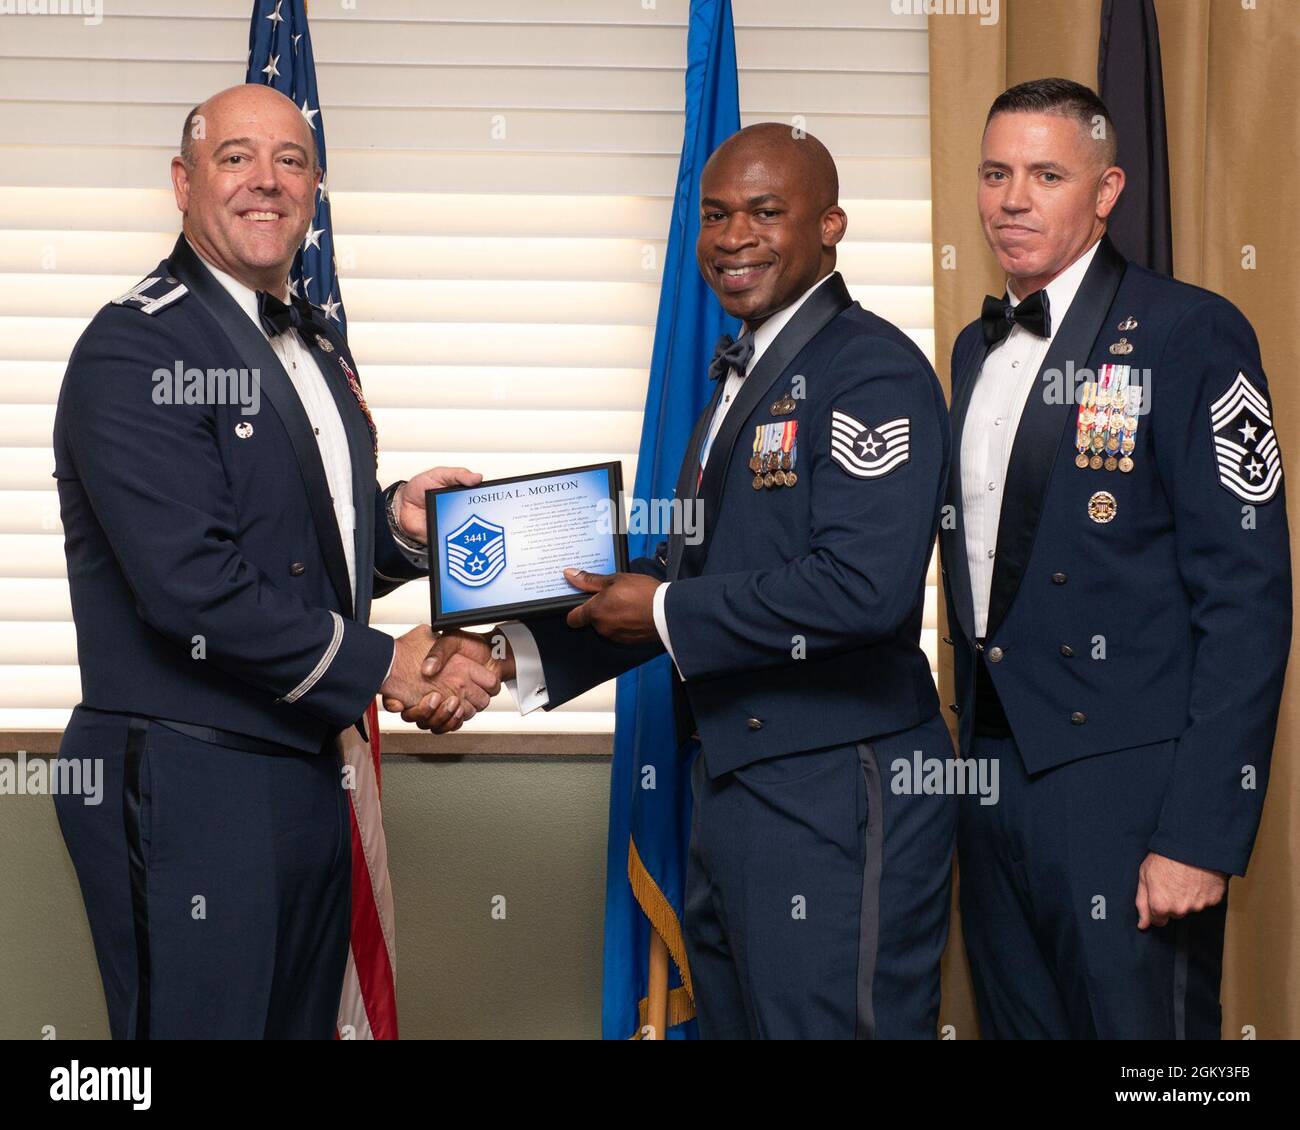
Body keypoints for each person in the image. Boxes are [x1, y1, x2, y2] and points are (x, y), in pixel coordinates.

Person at [416, 124, 957, 1039]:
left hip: (838, 791)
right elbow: (683, 566)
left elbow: (861, 588)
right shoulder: (738, 378)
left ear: (831, 225)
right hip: (740, 789)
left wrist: (662, 605)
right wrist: (508, 653)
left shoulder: (870, 369)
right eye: (714, 215)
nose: (732, 235)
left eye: (763, 211)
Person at [51, 83, 494, 1039]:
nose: (266, 181)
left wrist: (405, 528)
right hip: (187, 775)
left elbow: (296, 552)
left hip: (301, 763)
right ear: (182, 182)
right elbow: (191, 589)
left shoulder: (314, 344)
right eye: (236, 157)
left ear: (315, 188)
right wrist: (386, 666)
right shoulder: (137, 347)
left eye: (291, 160)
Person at [939, 77, 1291, 1039]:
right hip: (993, 775)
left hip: (1130, 793)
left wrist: (1198, 836)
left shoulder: (1192, 332)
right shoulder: (974, 348)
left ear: (1105, 191)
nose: (1013, 198)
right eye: (996, 172)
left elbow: (1248, 597)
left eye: (1047, 174)